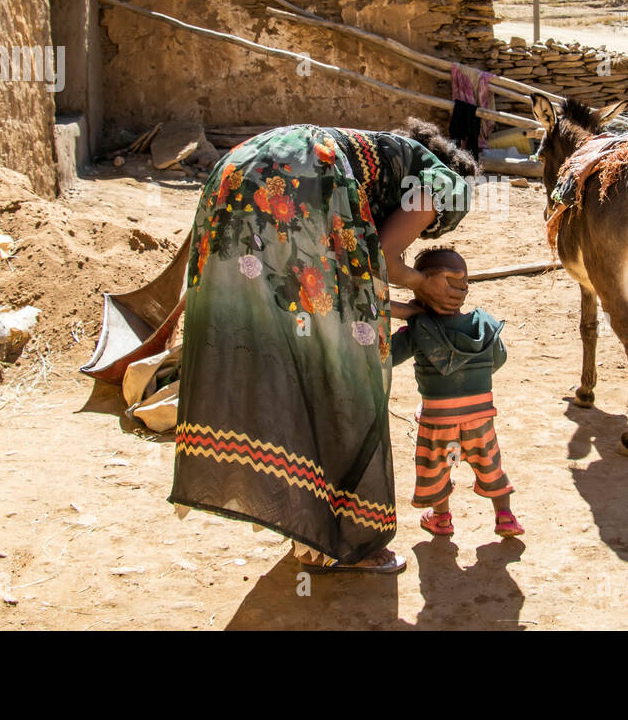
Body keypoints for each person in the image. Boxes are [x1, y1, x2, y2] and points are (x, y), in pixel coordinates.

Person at [169, 119, 476, 574]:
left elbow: (358, 293)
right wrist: (422, 284)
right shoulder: (449, 183)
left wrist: (415, 308)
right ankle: (349, 536)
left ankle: (302, 520)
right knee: (344, 364)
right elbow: (383, 264)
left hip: (239, 174)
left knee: (294, 344)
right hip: (298, 183)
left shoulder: (374, 165)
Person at [391, 246, 523, 539]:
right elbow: (498, 359)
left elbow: (386, 356)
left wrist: (404, 316)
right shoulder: (485, 324)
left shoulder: (419, 328)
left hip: (439, 423)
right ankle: (505, 517)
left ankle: (441, 519)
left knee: (439, 468)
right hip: (480, 420)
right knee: (490, 464)